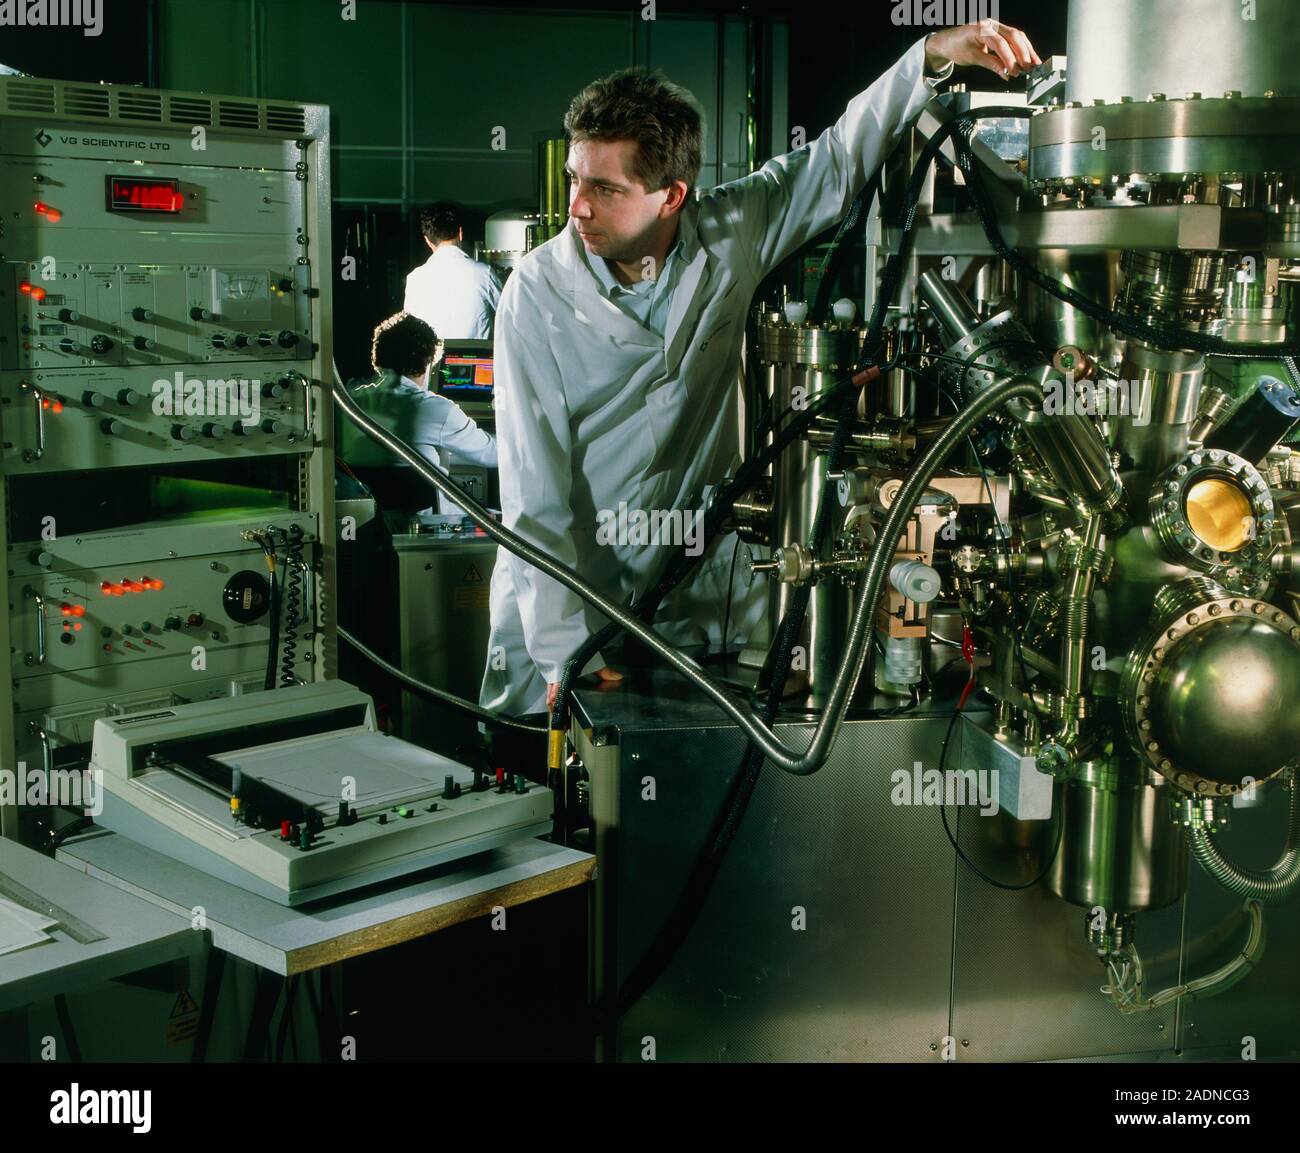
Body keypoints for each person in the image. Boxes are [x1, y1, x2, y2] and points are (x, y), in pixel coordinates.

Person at [479, 21, 1041, 717]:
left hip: (689, 593)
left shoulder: (729, 230)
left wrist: (927, 57)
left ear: (673, 196)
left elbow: (834, 163)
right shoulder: (535, 293)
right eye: (574, 178)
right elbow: (535, 494)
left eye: (604, 187)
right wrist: (565, 646)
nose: (577, 207)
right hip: (568, 601)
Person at [340, 311, 497, 516]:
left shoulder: (349, 399)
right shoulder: (437, 409)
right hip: (424, 527)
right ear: (428, 361)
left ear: (377, 357)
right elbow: (492, 455)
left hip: (367, 525)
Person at [403, 202, 501, 340]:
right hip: (476, 360)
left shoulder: (415, 278)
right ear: (460, 233)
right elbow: (510, 315)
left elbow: (409, 329)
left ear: (427, 240)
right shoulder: (484, 273)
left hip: (432, 360)